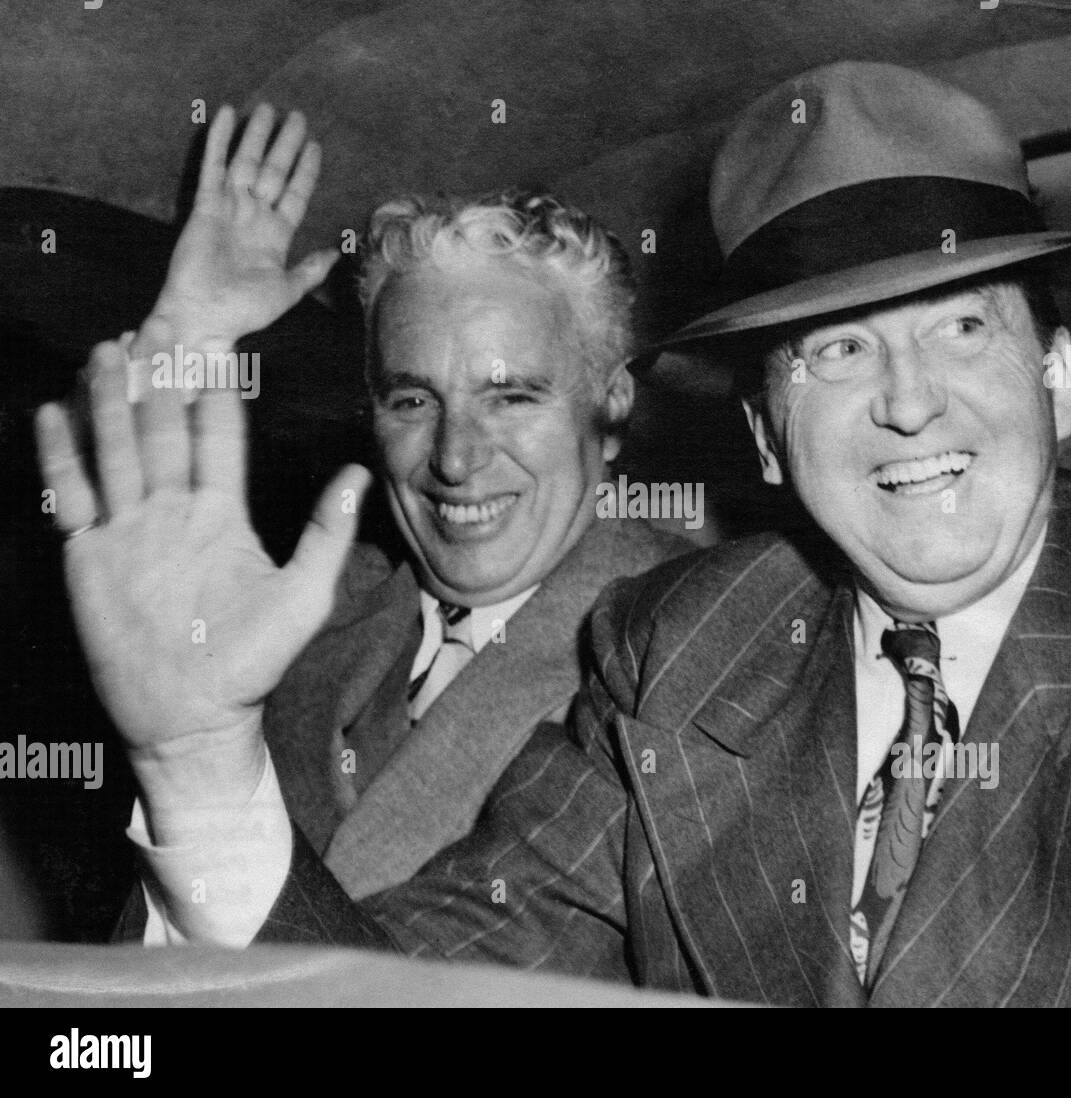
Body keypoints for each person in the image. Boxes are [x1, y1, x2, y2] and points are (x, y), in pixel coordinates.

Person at [40, 65, 1071, 1005]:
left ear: (1063, 379)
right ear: (763, 436)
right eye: (837, 350)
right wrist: (201, 757)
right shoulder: (685, 642)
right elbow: (419, 985)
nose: (908, 401)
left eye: (965, 327)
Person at [35, 102, 685, 940]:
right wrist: (183, 342)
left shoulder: (682, 651)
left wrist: (197, 766)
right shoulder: (332, 605)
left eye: (511, 397)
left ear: (614, 404)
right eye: (413, 400)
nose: (454, 458)